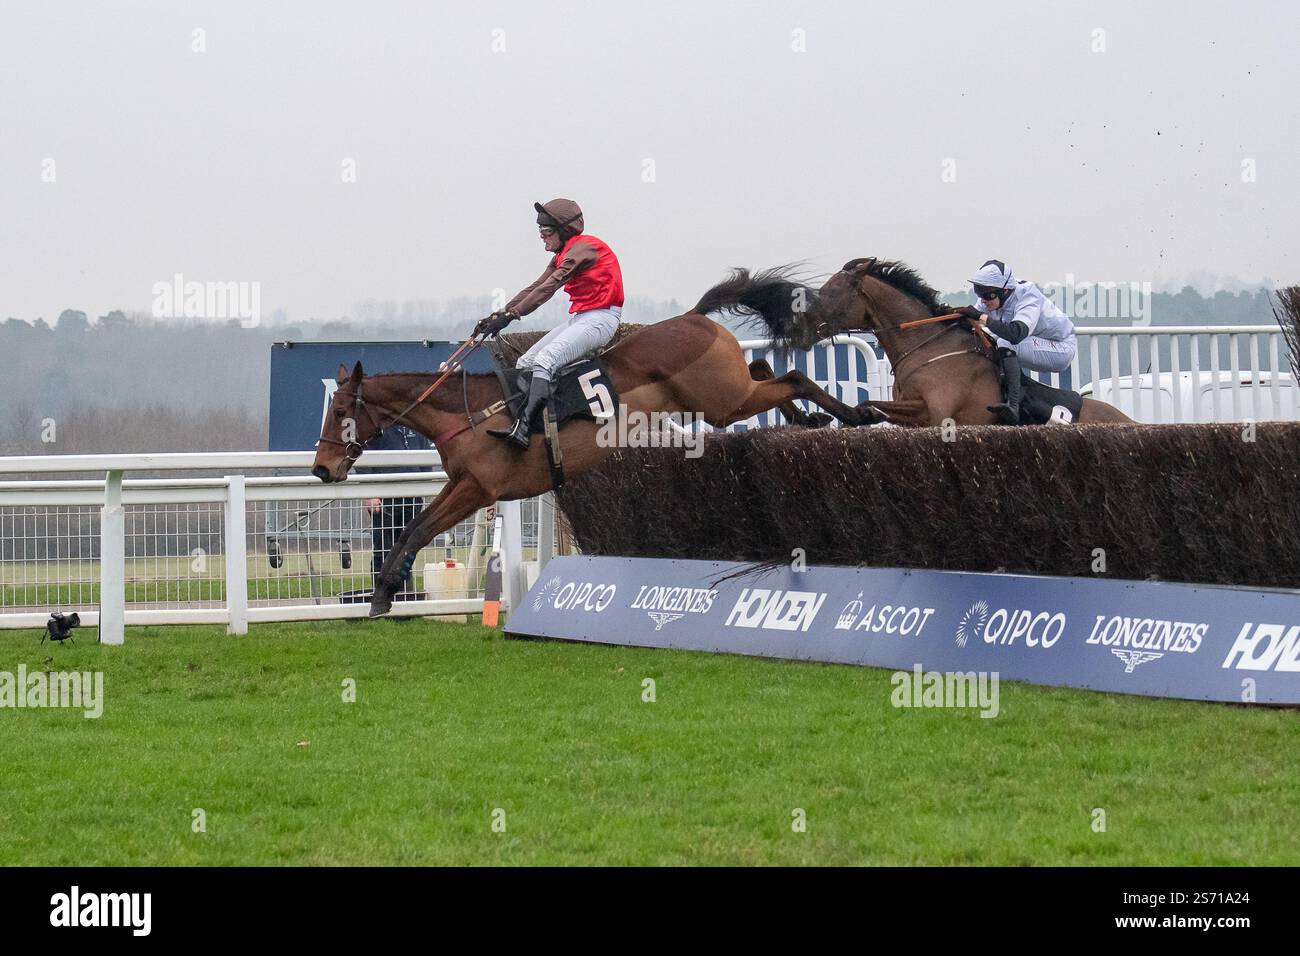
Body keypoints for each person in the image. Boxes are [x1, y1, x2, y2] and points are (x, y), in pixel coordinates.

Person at [473, 198, 624, 449]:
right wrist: (499, 315)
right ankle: (537, 424)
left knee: (545, 361)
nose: (542, 237)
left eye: (545, 231)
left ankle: (523, 430)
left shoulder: (583, 248)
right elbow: (535, 286)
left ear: (564, 230)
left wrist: (514, 315)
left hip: (602, 319)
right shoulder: (564, 254)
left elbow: (550, 287)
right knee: (526, 363)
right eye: (540, 231)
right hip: (582, 318)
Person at [955, 260, 1077, 424]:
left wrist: (980, 317)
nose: (983, 300)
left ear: (1005, 290)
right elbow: (973, 318)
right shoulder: (994, 294)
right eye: (979, 293)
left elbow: (1016, 334)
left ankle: (1013, 407)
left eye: (987, 295)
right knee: (992, 341)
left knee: (1006, 342)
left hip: (1061, 348)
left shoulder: (1027, 295)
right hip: (1035, 342)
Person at [355, 424, 427, 593]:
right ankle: (381, 594)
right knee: (383, 547)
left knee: (408, 548)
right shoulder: (377, 426)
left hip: (413, 496)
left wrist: (424, 487)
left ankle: (405, 593)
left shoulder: (416, 426)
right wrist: (371, 493)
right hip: (384, 498)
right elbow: (363, 459)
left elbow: (425, 459)